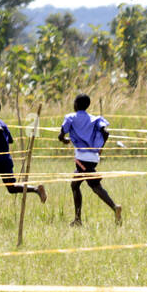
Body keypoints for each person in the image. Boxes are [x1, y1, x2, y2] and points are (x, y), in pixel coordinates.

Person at [0, 100, 45, 222]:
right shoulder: (2, 122)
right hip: (5, 160)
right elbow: (10, 140)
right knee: (11, 188)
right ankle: (36, 189)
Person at [59, 93, 122, 226]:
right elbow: (106, 133)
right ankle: (77, 219)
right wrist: (100, 147)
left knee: (95, 186)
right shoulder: (95, 119)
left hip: (82, 157)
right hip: (93, 157)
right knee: (75, 185)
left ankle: (114, 207)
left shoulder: (71, 117)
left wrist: (64, 140)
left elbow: (61, 134)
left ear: (75, 104)